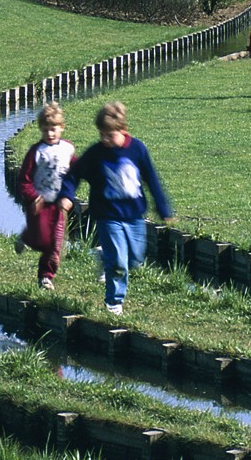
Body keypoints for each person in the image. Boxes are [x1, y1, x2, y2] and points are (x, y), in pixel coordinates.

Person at [58, 101, 174, 316]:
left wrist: (163, 208)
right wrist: (66, 195)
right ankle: (114, 302)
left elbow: (152, 179)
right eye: (102, 134)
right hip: (107, 216)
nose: (105, 140)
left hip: (134, 216)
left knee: (135, 259)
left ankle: (104, 258)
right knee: (119, 262)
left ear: (123, 130)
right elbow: (74, 174)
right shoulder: (96, 153)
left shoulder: (137, 149)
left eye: (109, 135)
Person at [14, 101, 77, 290]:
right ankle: (26, 237)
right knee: (42, 240)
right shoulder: (36, 152)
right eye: (46, 130)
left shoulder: (67, 149)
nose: (50, 134)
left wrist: (71, 194)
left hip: (58, 205)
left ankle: (46, 277)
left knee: (55, 244)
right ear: (41, 130)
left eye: (54, 129)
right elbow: (24, 179)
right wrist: (32, 197)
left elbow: (76, 171)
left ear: (61, 128)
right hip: (39, 203)